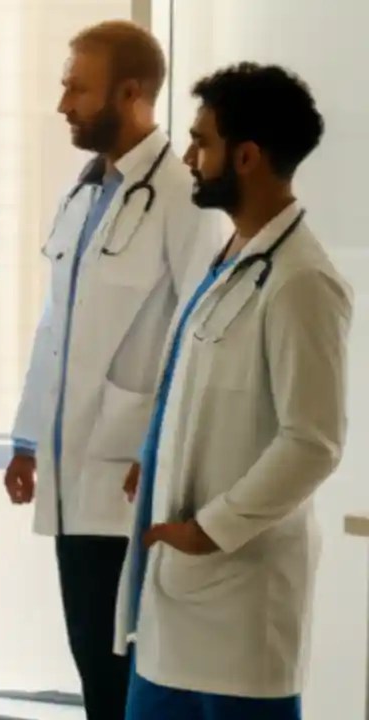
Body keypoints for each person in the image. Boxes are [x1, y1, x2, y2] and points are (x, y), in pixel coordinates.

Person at [116, 63, 348, 720]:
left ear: (246, 156)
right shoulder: (233, 258)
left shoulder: (303, 281)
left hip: (240, 600)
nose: (188, 156)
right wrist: (153, 459)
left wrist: (209, 532)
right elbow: (196, 395)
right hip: (175, 602)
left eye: (201, 141)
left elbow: (314, 442)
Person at [1, 21, 217, 719]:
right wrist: (28, 438)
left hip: (133, 479)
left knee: (135, 680)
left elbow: (200, 333)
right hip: (73, 476)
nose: (63, 103)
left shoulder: (184, 195)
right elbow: (54, 331)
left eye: (76, 87)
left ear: (131, 93)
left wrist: (161, 450)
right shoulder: (85, 192)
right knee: (95, 665)